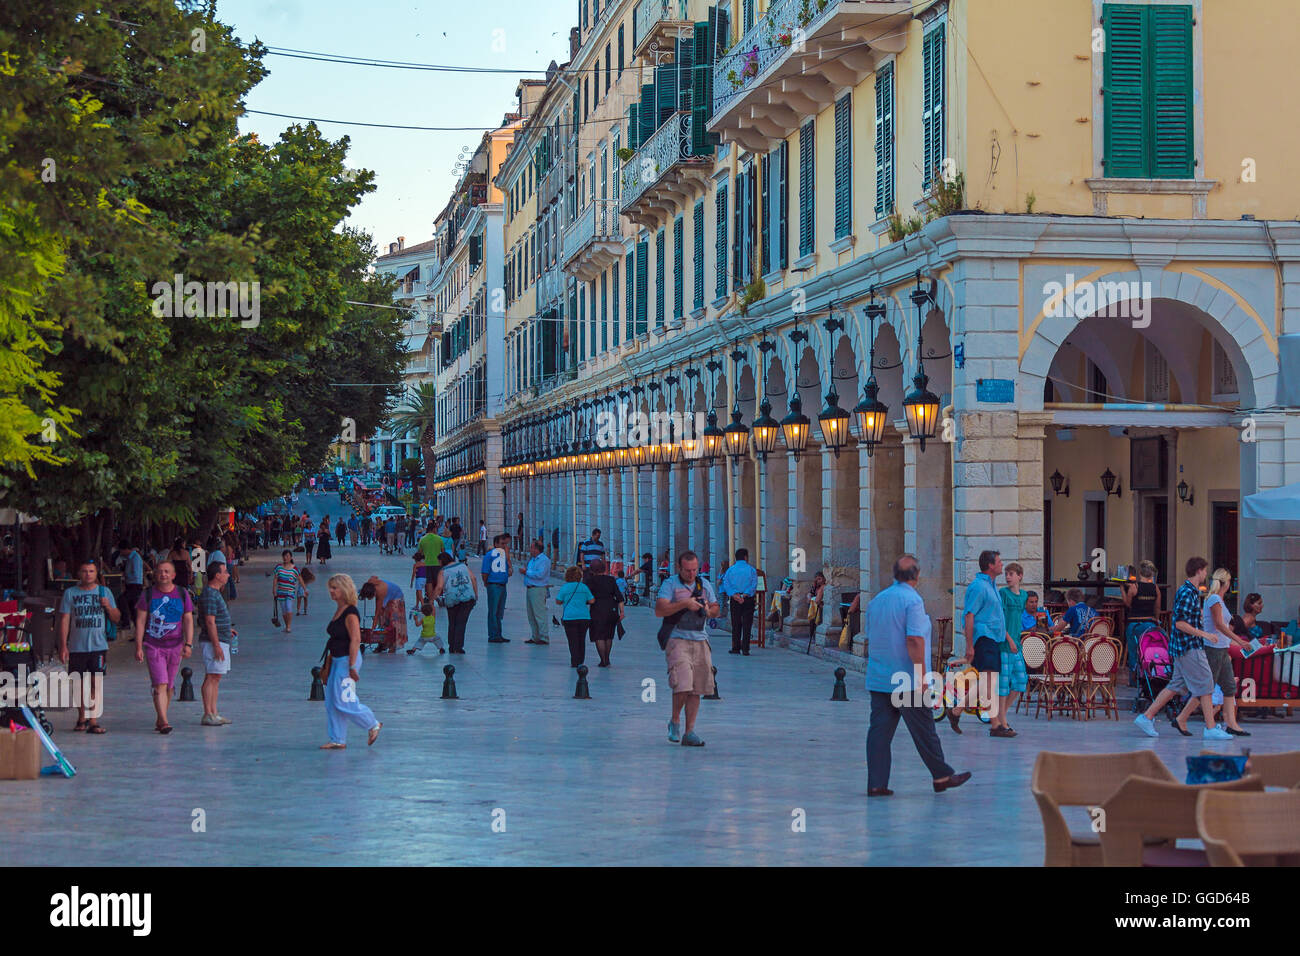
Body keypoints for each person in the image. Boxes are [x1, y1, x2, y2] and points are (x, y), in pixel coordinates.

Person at [864, 554, 972, 797]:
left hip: (880, 677)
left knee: (879, 733)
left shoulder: (877, 600)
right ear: (917, 575)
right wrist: (922, 676)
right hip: (906, 680)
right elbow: (914, 639)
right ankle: (942, 776)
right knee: (925, 730)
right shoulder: (912, 600)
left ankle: (876, 783)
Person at [1136, 557, 1234, 740]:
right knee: (1206, 683)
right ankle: (1210, 728)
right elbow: (1180, 623)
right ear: (1198, 571)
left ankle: (1147, 716)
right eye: (1205, 570)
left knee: (1176, 685)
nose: (1206, 574)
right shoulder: (1188, 592)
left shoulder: (1189, 591)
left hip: (1183, 647)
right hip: (1189, 646)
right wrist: (1204, 634)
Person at [1172, 568, 1252, 736]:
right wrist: (1239, 641)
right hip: (1213, 650)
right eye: (1229, 581)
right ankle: (1182, 718)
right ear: (1226, 583)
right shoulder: (1214, 599)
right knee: (1205, 688)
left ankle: (1231, 723)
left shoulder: (1218, 600)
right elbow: (1219, 625)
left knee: (1229, 686)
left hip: (1222, 649)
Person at [655, 551, 720, 747]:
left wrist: (708, 610)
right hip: (677, 639)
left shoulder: (704, 584)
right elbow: (660, 610)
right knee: (682, 683)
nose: (692, 574)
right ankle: (675, 721)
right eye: (687, 570)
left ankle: (689, 731)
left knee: (697, 688)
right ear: (679, 568)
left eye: (695, 570)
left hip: (700, 640)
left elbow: (716, 608)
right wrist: (685, 603)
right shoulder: (670, 585)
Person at [57, 559, 119, 734]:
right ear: (78, 573)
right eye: (84, 571)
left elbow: (116, 617)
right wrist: (63, 645)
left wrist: (108, 607)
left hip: (99, 645)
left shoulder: (104, 592)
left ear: (96, 573)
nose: (88, 574)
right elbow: (64, 620)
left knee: (95, 683)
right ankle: (81, 717)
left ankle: (93, 719)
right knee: (78, 684)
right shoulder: (70, 593)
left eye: (91, 571)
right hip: (77, 646)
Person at [320, 573, 382, 750]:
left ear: (344, 589)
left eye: (335, 588)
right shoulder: (339, 609)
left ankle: (372, 724)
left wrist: (352, 666)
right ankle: (337, 738)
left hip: (347, 660)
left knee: (345, 700)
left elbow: (356, 639)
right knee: (332, 701)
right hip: (336, 659)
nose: (331, 591)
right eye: (330, 588)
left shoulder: (350, 612)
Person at [133, 561, 194, 735]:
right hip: (154, 646)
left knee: (169, 686)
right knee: (160, 683)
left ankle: (161, 718)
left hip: (176, 646)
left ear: (173, 575)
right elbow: (140, 621)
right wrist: (138, 646)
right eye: (160, 572)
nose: (163, 575)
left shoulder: (182, 594)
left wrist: (188, 643)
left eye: (167, 572)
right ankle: (165, 721)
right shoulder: (148, 595)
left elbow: (188, 619)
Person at [956, 550, 1012, 738]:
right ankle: (995, 724)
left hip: (993, 639)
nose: (1002, 564)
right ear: (990, 565)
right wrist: (969, 645)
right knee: (989, 683)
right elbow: (969, 615)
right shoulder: (979, 587)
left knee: (988, 682)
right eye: (999, 561)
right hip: (984, 638)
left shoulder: (992, 585)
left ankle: (956, 711)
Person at [196, 561, 234, 727]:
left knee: (216, 676)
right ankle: (208, 713)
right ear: (217, 575)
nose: (227, 575)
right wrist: (216, 645)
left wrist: (227, 630)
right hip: (214, 641)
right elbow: (210, 622)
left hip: (222, 638)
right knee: (211, 676)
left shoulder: (215, 593)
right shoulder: (210, 594)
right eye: (225, 572)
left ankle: (214, 711)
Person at [997, 562, 1029, 724]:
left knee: (1021, 680)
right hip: (1005, 645)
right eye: (1006, 574)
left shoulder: (1023, 596)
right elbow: (1000, 621)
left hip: (1017, 644)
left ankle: (1001, 712)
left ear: (1019, 576)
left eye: (1011, 574)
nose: (1008, 577)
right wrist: (1009, 640)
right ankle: (1001, 718)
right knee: (1004, 682)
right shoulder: (1003, 593)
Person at [430, 550, 478, 654]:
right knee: (461, 623)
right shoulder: (463, 566)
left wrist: (431, 601)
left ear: (442, 561)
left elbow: (439, 587)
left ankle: (452, 646)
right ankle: (458, 647)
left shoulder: (443, 571)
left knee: (452, 622)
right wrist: (475, 594)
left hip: (452, 599)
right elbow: (473, 578)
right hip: (467, 598)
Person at [1121, 560, 1162, 679]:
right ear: (1151, 575)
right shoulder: (1156, 588)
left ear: (1140, 573)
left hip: (1135, 624)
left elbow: (1128, 604)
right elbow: (1157, 607)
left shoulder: (1134, 587)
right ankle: (1150, 676)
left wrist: (1123, 590)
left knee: (1133, 652)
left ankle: (1134, 679)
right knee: (1149, 650)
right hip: (1150, 624)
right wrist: (1157, 621)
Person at [584, 558, 623, 667]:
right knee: (609, 635)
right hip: (611, 608)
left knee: (599, 635)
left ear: (592, 570)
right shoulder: (611, 580)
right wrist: (622, 612)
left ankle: (603, 660)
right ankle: (607, 658)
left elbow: (587, 597)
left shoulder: (590, 581)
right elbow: (619, 596)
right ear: (604, 568)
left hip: (597, 608)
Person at [720, 547, 759, 655]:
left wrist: (734, 595)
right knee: (747, 623)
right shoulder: (751, 569)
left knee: (736, 623)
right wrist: (745, 594)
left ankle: (736, 647)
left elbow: (726, 583)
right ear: (746, 557)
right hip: (748, 599)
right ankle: (745, 648)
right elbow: (754, 584)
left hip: (735, 599)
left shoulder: (730, 570)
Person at [555, 565, 595, 667]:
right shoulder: (583, 587)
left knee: (572, 640)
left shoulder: (565, 587)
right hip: (584, 617)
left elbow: (558, 601)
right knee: (581, 639)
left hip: (570, 617)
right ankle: (581, 660)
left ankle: (574, 661)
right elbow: (592, 600)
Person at [359, 577, 407, 653]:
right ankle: (383, 643)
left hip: (396, 597)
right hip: (387, 594)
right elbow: (374, 577)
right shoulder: (370, 584)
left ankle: (393, 644)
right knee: (383, 619)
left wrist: (374, 624)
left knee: (393, 621)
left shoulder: (381, 591)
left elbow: (377, 610)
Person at [520, 539, 552, 645]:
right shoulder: (532, 560)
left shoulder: (544, 560)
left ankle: (544, 636)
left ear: (536, 549)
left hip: (538, 589)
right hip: (530, 588)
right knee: (531, 614)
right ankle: (535, 636)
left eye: (531, 547)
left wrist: (526, 572)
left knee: (539, 614)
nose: (530, 549)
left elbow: (540, 574)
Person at [482, 532, 512, 644]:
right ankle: (493, 635)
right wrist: (486, 583)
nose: (504, 546)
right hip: (494, 585)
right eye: (502, 544)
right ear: (495, 544)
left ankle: (498, 634)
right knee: (493, 611)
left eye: (505, 544)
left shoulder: (504, 556)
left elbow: (508, 568)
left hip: (503, 585)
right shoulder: (489, 555)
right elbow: (484, 572)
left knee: (499, 612)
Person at [272, 551, 302, 634]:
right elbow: (275, 579)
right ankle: (287, 625)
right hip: (280, 592)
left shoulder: (295, 569)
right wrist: (274, 589)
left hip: (290, 592)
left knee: (288, 607)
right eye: (284, 556)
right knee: (284, 610)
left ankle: (289, 626)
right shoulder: (278, 567)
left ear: (291, 557)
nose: (286, 558)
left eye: (287, 556)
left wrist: (304, 589)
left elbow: (300, 578)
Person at [121, 540, 145, 616]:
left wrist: (125, 576)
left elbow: (136, 573)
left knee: (123, 600)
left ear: (125, 549)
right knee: (131, 605)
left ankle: (127, 621)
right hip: (130, 584)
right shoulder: (129, 558)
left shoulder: (135, 558)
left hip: (135, 584)